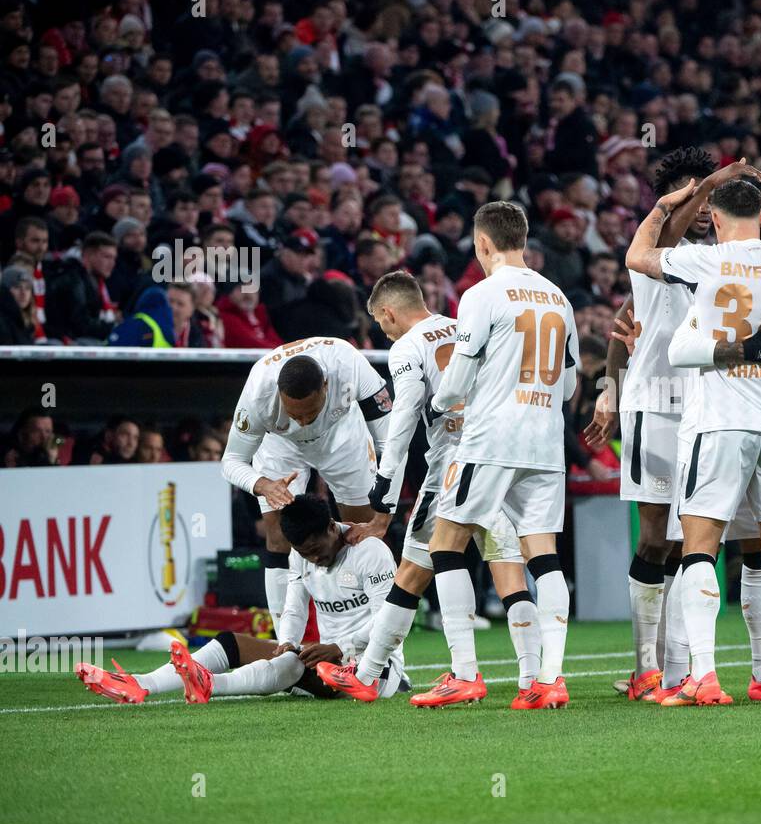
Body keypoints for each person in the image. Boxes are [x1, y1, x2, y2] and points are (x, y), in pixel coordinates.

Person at [628, 176, 761, 706]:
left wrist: (664, 206)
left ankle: (703, 676)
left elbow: (638, 256)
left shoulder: (706, 260)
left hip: (719, 419)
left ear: (712, 217)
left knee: (699, 547)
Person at [314, 270, 538, 707]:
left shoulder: (407, 347)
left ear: (388, 311)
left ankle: (461, 674)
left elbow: (400, 425)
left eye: (381, 322)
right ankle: (534, 680)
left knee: (430, 562)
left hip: (453, 467)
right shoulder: (467, 327)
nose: (384, 329)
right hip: (502, 457)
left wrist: (384, 492)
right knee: (500, 568)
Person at [583, 148, 757, 700]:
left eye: (705, 197)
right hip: (654, 404)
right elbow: (621, 333)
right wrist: (609, 393)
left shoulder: (716, 258)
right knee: (657, 538)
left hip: (704, 405)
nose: (701, 205)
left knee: (695, 540)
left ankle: (680, 669)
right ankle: (645, 668)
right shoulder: (657, 250)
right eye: (689, 193)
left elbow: (624, 327)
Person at [414, 201, 579, 709]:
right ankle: (548, 680)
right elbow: (570, 385)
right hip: (546, 442)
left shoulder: (481, 294)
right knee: (544, 555)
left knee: (446, 545)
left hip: (490, 440)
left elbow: (457, 381)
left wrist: (440, 402)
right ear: (522, 240)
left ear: (483, 243)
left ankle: (464, 673)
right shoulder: (558, 297)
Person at [74, 495, 410, 704]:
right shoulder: (302, 557)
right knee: (232, 642)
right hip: (328, 658)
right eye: (304, 554)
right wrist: (289, 640)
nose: (313, 559)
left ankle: (211, 685)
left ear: (330, 529)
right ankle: (139, 684)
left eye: (316, 551)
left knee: (292, 665)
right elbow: (294, 605)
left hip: (376, 668)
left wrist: (339, 647)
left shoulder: (369, 553)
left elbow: (389, 620)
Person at [219, 336, 393, 638]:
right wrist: (263, 485)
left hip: (342, 436)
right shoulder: (258, 393)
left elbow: (391, 441)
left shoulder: (348, 363)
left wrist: (385, 512)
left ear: (326, 386)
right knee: (278, 536)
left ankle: (379, 648)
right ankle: (285, 647)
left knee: (362, 531)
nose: (301, 421)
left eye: (309, 413)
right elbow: (231, 461)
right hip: (280, 446)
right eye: (293, 414)